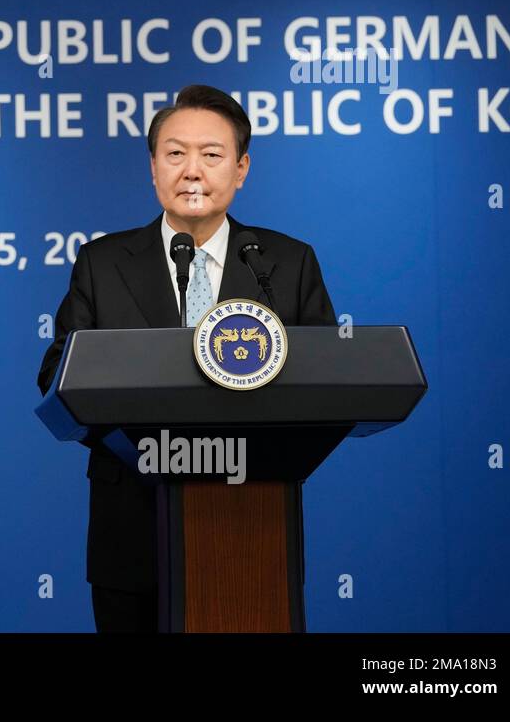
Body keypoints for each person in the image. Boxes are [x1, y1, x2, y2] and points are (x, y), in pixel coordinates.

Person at [36, 84, 336, 633]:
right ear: (153, 168)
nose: (192, 170)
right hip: (133, 531)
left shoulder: (286, 264)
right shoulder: (102, 263)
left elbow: (326, 382)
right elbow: (57, 377)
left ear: (241, 169)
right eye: (175, 154)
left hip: (253, 526)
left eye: (212, 155)